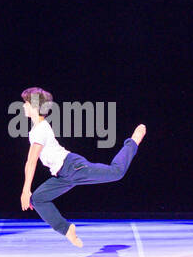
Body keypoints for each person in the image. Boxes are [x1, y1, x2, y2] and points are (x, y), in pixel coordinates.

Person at [18, 87, 145, 248]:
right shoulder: (36, 129)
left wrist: (25, 190)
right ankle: (67, 229)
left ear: (34, 107)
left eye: (26, 103)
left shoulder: (40, 130)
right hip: (62, 174)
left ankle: (133, 141)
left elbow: (31, 161)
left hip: (72, 167)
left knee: (116, 172)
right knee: (38, 199)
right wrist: (28, 192)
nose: (23, 106)